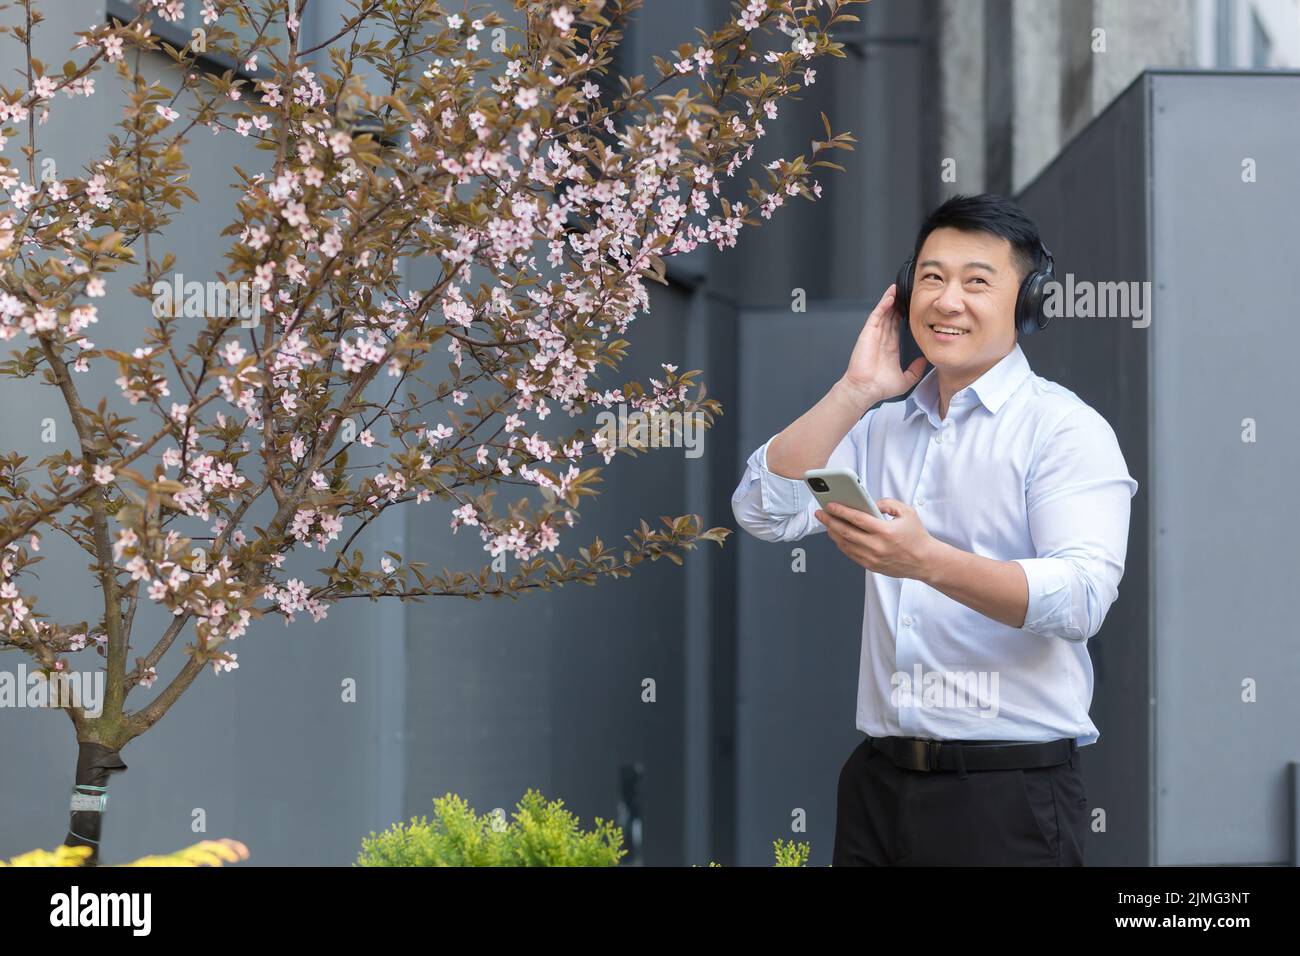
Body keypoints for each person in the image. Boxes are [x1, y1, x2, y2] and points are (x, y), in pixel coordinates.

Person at [730, 193, 1138, 865]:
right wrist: (855, 391)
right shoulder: (881, 425)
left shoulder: (1064, 430)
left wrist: (928, 562)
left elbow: (1081, 598)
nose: (948, 299)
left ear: (1028, 300)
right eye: (931, 277)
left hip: (1005, 796)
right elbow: (761, 509)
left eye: (977, 281)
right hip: (876, 786)